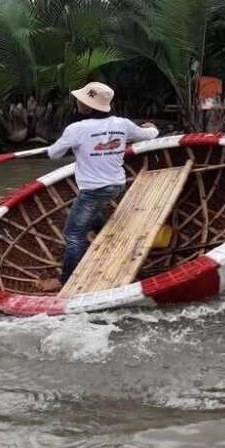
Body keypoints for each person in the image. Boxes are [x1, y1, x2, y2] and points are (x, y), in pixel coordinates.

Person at [36, 81, 159, 293]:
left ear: (87, 106)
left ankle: (64, 280)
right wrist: (152, 128)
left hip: (93, 190)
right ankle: (101, 233)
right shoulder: (122, 124)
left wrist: (68, 143)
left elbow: (54, 154)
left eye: (80, 99)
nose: (77, 101)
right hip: (117, 185)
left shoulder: (76, 129)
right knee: (90, 210)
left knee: (73, 234)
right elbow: (150, 134)